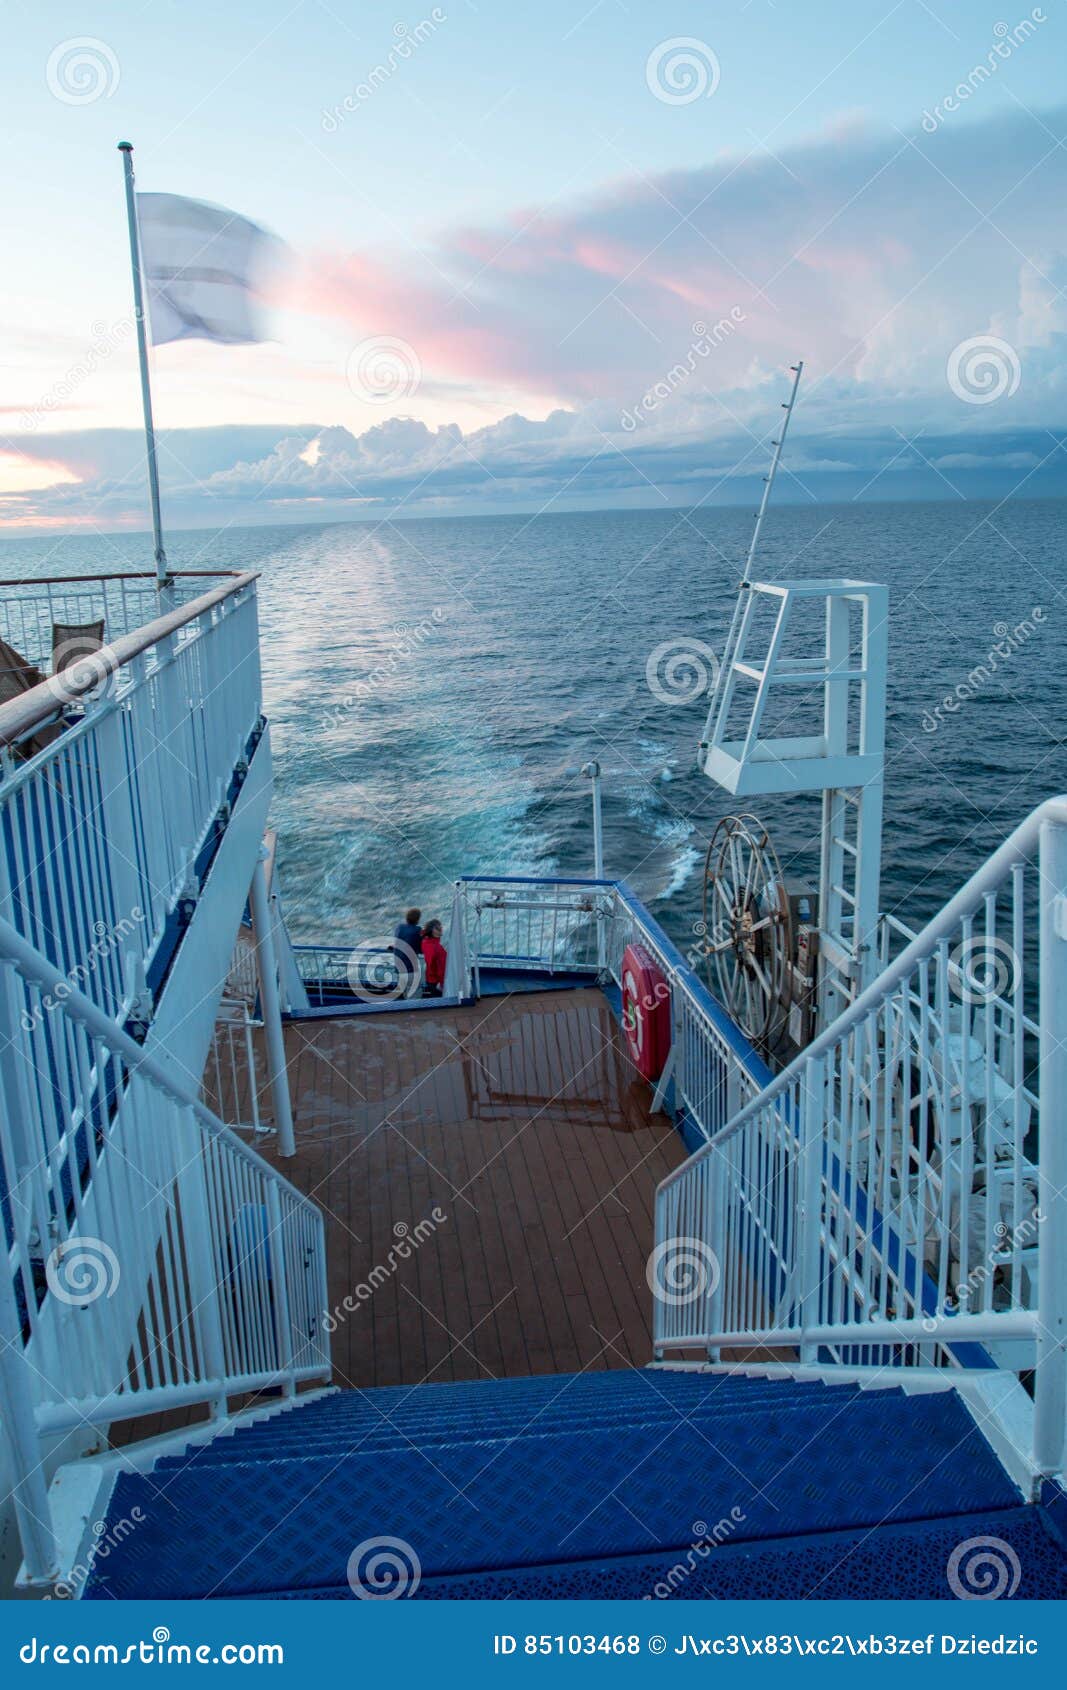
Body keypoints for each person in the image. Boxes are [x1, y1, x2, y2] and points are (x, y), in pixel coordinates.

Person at [393, 907, 423, 997]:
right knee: (414, 999)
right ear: (418, 919)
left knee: (405, 996)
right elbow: (421, 948)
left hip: (398, 970)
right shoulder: (418, 930)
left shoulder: (399, 927)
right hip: (411, 971)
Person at [421, 918, 447, 997]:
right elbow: (439, 968)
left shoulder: (425, 942)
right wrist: (442, 983)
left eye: (440, 927)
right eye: (438, 928)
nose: (441, 929)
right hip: (437, 982)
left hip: (430, 979)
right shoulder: (437, 948)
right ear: (432, 931)